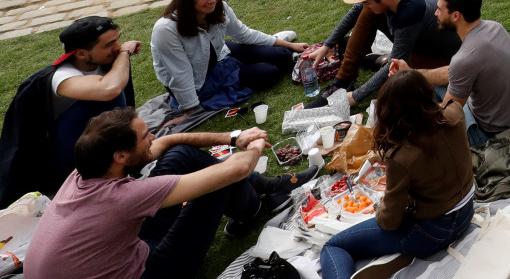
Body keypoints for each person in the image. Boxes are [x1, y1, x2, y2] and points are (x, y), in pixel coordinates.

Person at [26, 107, 313, 279]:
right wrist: (253, 144)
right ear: (121, 156)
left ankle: (260, 191)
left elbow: (168, 142)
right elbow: (235, 169)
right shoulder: (124, 197)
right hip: (152, 273)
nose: (152, 137)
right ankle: (255, 202)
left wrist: (234, 137)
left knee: (180, 154)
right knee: (218, 183)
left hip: (118, 253)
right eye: (144, 136)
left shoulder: (84, 171)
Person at [319, 69, 477, 279]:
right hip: (466, 211)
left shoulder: (401, 157)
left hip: (433, 231)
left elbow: (389, 221)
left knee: (333, 247)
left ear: (390, 111)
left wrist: (379, 207)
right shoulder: (455, 112)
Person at [0, 15, 138, 201]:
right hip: (73, 169)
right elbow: (109, 89)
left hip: (111, 150)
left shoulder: (105, 63)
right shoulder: (61, 77)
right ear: (81, 53)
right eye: (108, 44)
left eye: (117, 40)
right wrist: (125, 54)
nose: (117, 47)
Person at [151, 0, 306, 115]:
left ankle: (280, 43)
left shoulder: (220, 8)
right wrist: (192, 108)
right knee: (269, 73)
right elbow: (180, 73)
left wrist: (289, 45)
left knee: (283, 55)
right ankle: (259, 60)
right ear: (188, 0)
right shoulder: (166, 30)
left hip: (218, 54)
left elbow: (244, 34)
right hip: (200, 80)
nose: (212, 0)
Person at [386, 0, 510, 147]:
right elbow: (451, 73)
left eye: (440, 9)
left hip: (486, 133)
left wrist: (408, 114)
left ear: (455, 16)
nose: (435, 13)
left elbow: (446, 115)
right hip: (505, 117)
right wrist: (410, 73)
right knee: (429, 83)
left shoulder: (464, 59)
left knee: (413, 122)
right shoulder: (496, 28)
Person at [307, 0, 461, 110]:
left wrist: (356, 96)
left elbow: (397, 61)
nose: (363, 4)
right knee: (368, 11)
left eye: (367, 1)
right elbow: (357, 9)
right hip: (418, 42)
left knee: (389, 94)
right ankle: (343, 81)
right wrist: (327, 46)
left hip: (441, 59)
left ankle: (377, 63)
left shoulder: (411, 13)